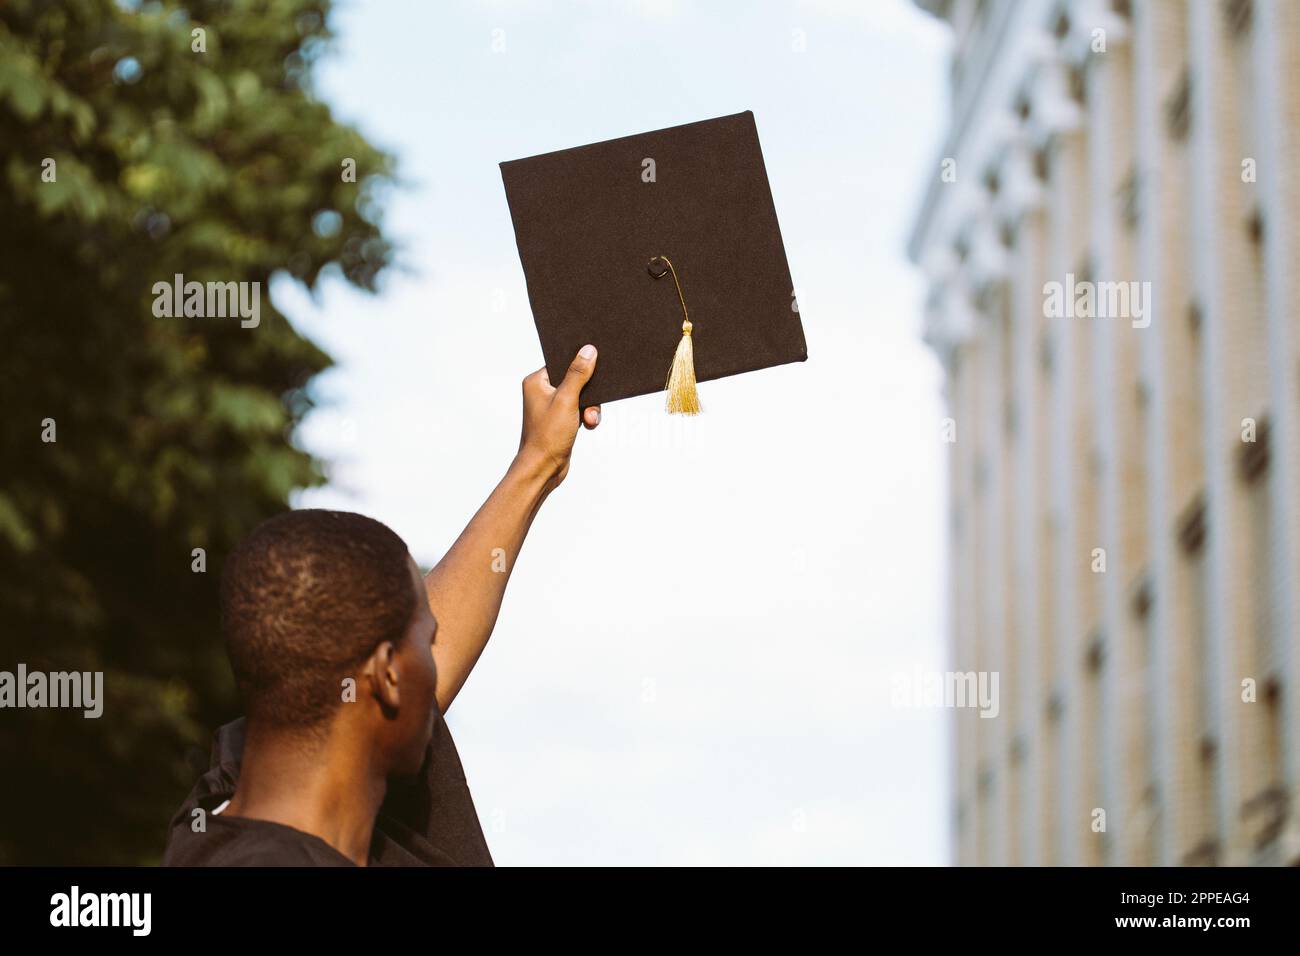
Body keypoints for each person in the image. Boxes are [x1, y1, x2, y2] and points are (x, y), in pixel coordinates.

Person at [162, 346, 602, 866]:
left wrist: (539, 462)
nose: (435, 658)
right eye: (426, 641)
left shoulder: (237, 795)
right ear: (389, 676)